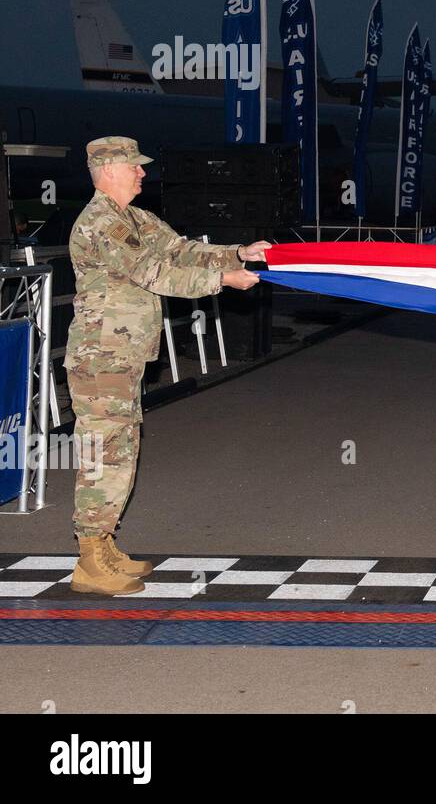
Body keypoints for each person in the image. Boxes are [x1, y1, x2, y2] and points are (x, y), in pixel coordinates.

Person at [65, 138, 268, 596]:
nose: (142, 173)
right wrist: (224, 280)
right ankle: (90, 560)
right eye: (134, 166)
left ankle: (103, 542)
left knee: (122, 445)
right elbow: (156, 274)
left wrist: (238, 253)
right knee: (104, 451)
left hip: (123, 358)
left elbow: (180, 252)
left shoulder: (134, 219)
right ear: (109, 169)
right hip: (101, 359)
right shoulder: (101, 223)